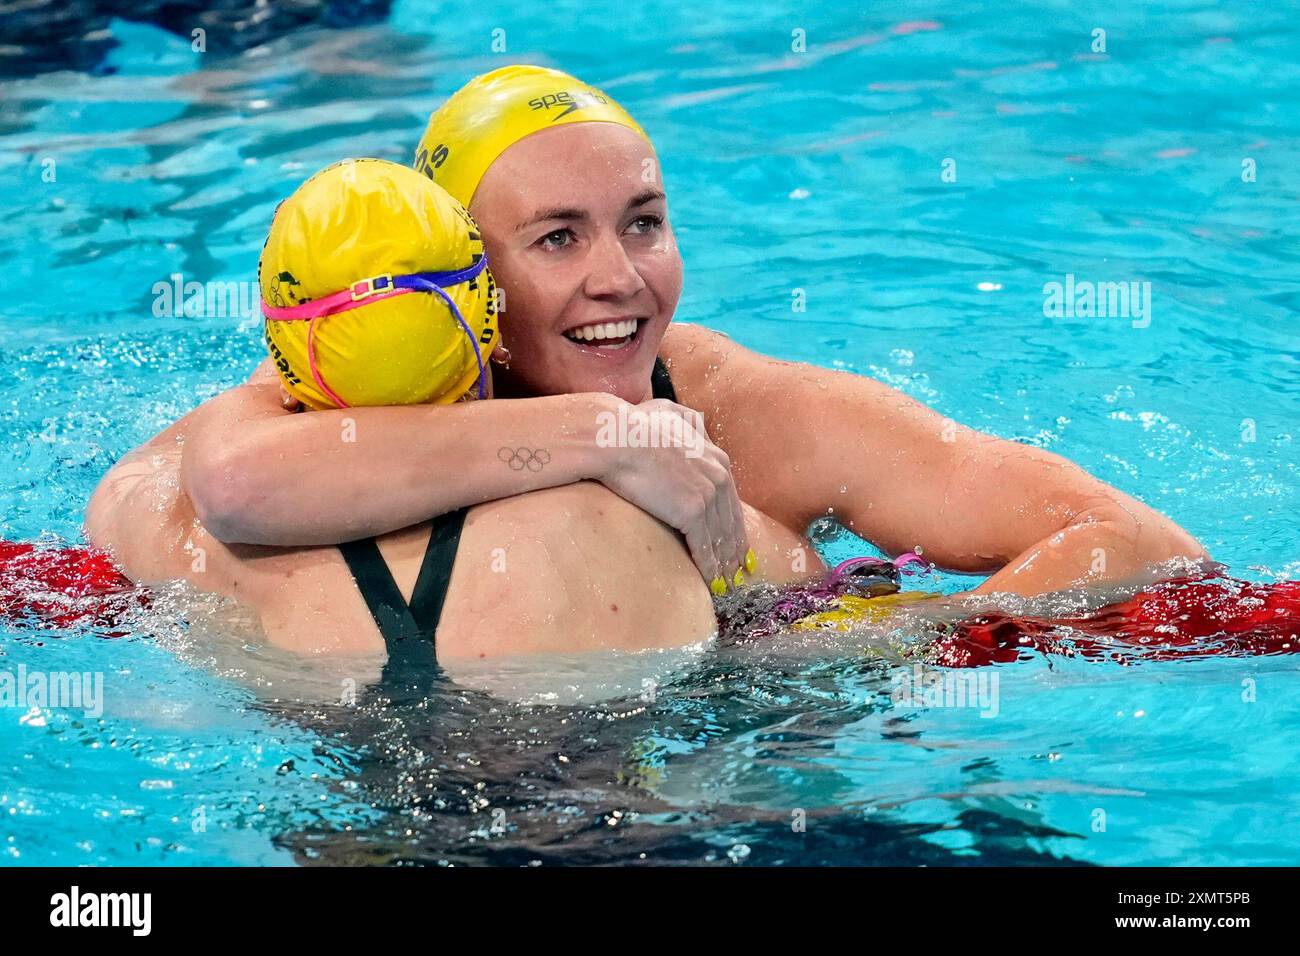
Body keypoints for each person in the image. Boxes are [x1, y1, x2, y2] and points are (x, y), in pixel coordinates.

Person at [91, 65, 1206, 661]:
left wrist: (880, 643)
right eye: (558, 237)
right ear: (459, 284)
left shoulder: (741, 403)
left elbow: (1140, 544)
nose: (622, 277)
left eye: (644, 221)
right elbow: (204, 485)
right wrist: (611, 440)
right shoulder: (342, 390)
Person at [84, 158, 814, 674]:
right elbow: (824, 619)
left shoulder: (185, 533)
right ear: (486, 321)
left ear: (281, 351)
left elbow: (164, 486)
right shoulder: (650, 510)